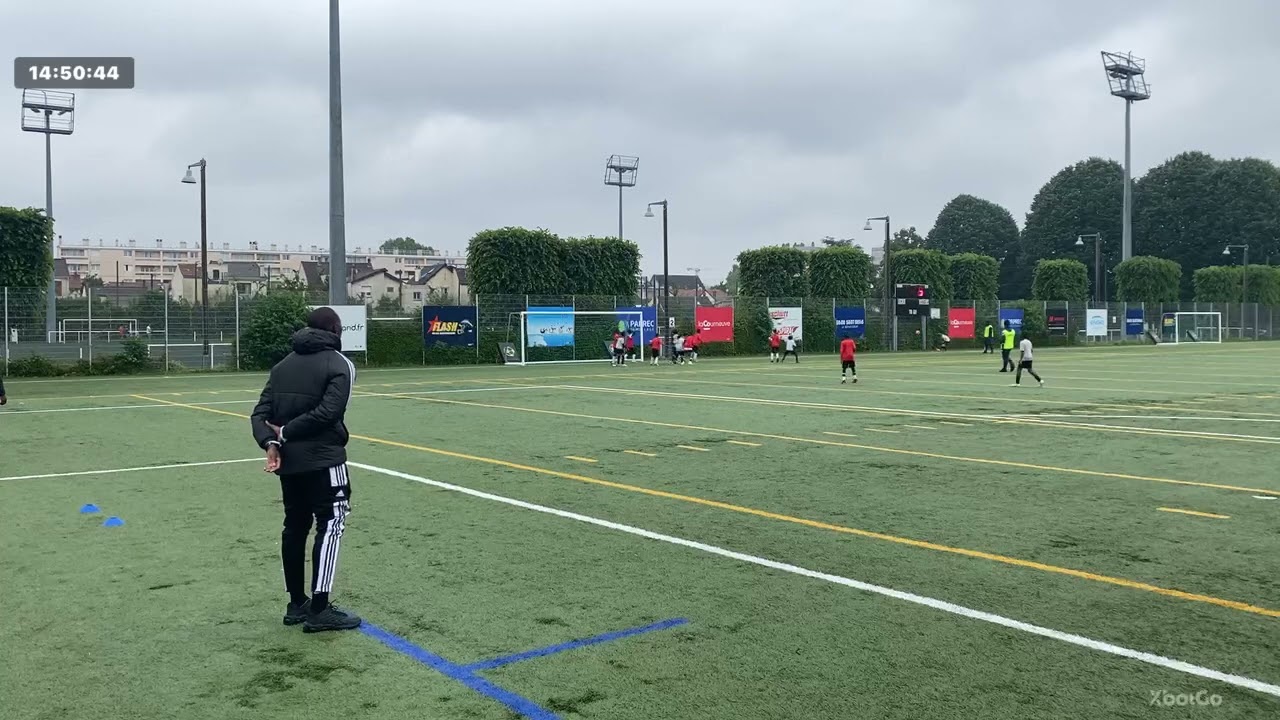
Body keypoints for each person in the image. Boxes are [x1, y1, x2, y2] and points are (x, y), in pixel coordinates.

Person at [251, 307, 361, 634]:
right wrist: (283, 435)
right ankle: (319, 607)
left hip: (290, 463)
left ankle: (296, 602)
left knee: (295, 525)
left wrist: (271, 442)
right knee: (332, 522)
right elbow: (330, 412)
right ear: (336, 331)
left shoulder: (282, 365)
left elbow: (260, 413)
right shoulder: (341, 364)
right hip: (325, 459)